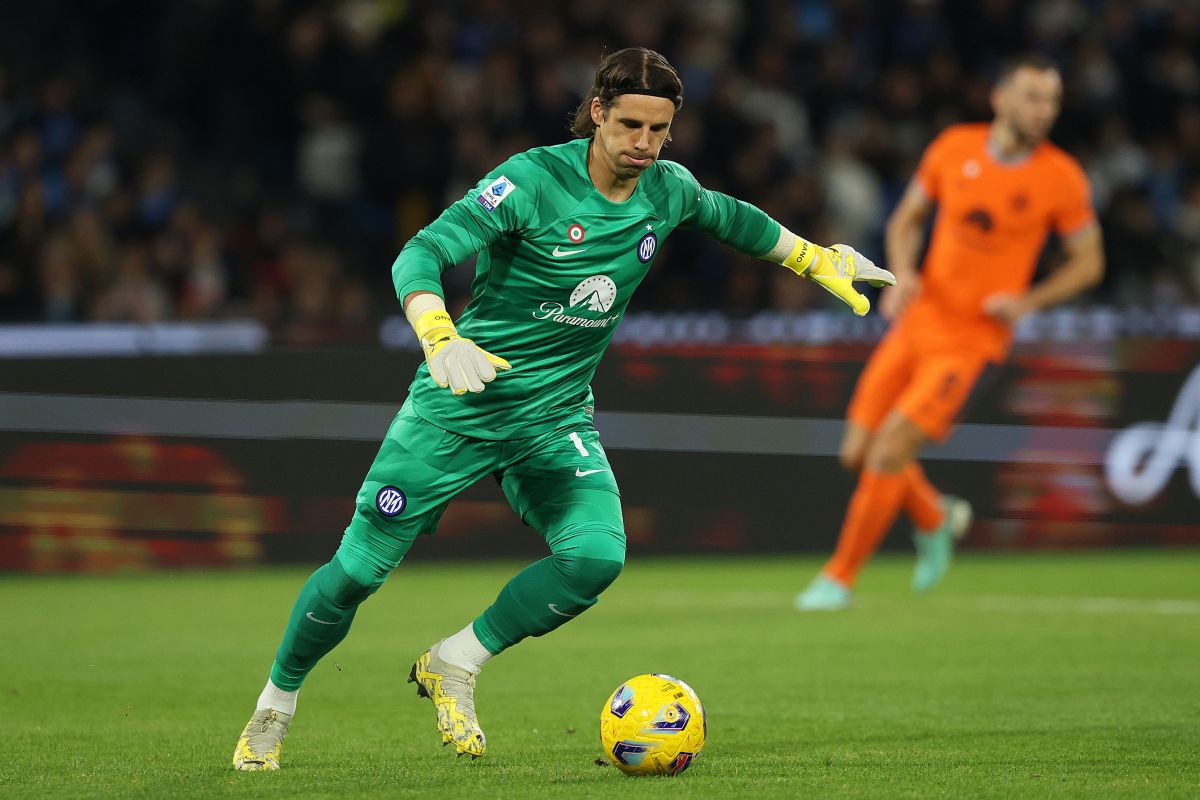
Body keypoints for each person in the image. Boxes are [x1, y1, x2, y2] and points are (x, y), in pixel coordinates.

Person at [232, 47, 893, 770]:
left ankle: (456, 660)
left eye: (659, 130)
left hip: (553, 418)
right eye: (631, 124)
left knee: (595, 557)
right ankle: (275, 706)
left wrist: (812, 257)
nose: (644, 144)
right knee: (357, 573)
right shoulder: (531, 181)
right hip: (459, 402)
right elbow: (420, 252)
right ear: (599, 112)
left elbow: (729, 217)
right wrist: (437, 334)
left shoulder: (665, 190)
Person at [794, 54, 1104, 611]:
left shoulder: (1061, 177)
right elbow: (905, 219)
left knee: (889, 448)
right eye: (1033, 96)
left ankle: (838, 578)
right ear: (1000, 99)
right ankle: (936, 519)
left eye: (1052, 100)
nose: (1043, 110)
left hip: (973, 341)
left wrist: (1030, 300)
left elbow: (1089, 262)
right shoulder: (953, 147)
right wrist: (903, 272)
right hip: (918, 323)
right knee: (856, 451)